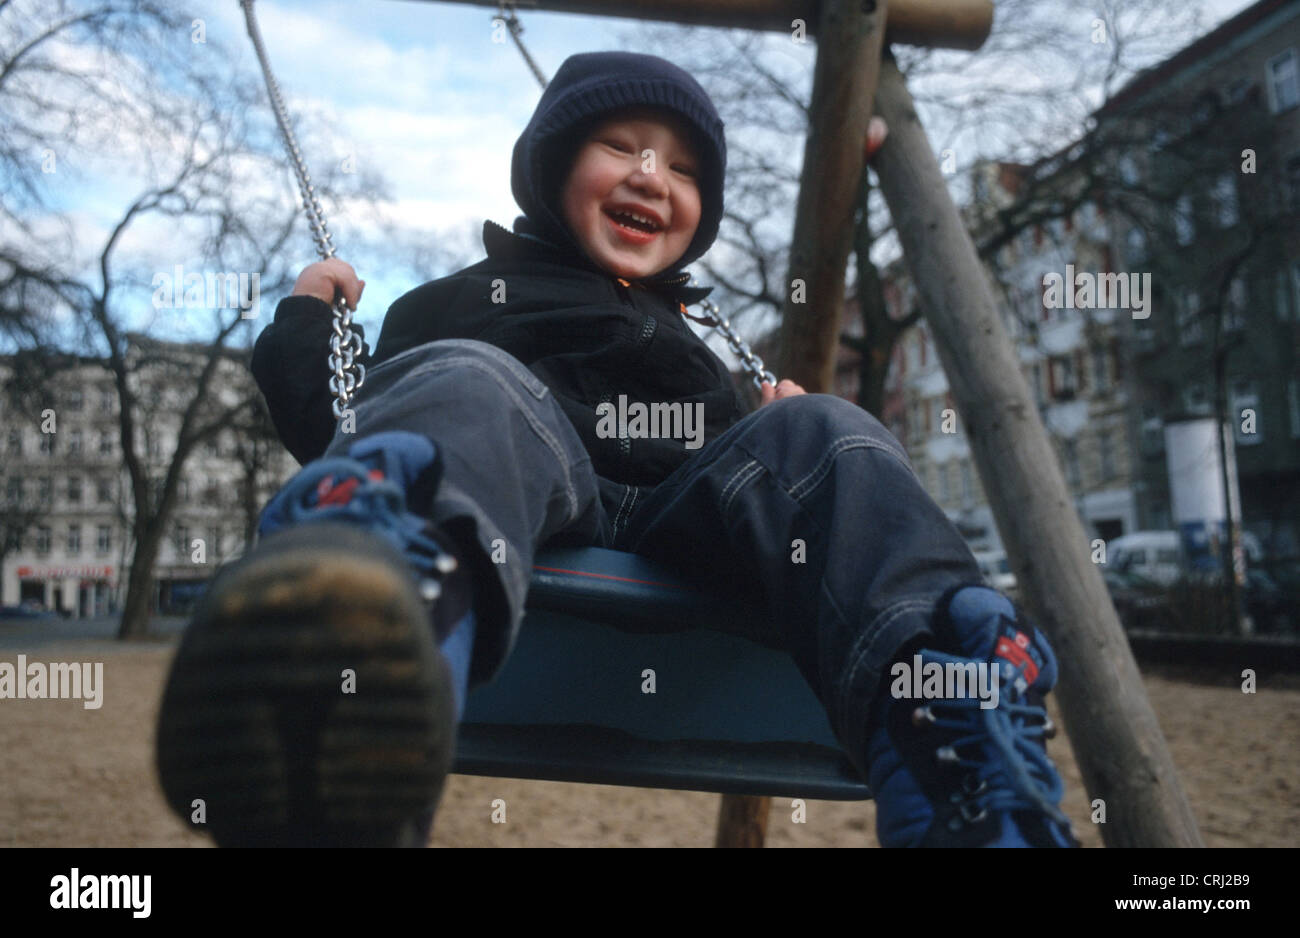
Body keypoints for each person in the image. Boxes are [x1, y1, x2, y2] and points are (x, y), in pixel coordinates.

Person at [156, 51, 1076, 848]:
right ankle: (356, 648)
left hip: (685, 520)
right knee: (472, 384)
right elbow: (344, 423)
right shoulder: (458, 306)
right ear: (552, 168)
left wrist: (779, 424)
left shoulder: (700, 335)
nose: (651, 177)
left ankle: (957, 753)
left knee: (831, 431)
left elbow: (764, 482)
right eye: (620, 148)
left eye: (682, 169)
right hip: (530, 497)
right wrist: (309, 319)